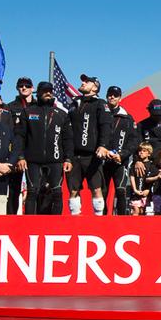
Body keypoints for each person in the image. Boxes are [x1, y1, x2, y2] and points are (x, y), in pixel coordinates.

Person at [15, 82, 74, 215]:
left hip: (56, 160)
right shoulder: (29, 111)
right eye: (45, 91)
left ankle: (55, 226)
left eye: (50, 91)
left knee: (57, 192)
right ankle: (30, 225)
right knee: (32, 192)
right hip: (33, 160)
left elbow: (68, 139)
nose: (48, 93)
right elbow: (20, 136)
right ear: (39, 92)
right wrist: (20, 156)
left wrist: (68, 159)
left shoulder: (61, 114)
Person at [66, 74, 112, 215]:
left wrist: (103, 145)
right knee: (73, 190)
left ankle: (98, 221)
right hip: (74, 156)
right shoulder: (74, 103)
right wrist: (68, 156)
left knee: (96, 188)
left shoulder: (100, 104)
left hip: (92, 155)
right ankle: (75, 220)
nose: (83, 82)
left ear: (95, 87)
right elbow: (67, 130)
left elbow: (106, 126)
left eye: (87, 81)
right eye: (83, 80)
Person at [102, 86, 139, 216]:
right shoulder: (101, 113)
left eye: (115, 95)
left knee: (121, 191)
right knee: (102, 192)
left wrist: (122, 154)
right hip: (102, 160)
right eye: (109, 94)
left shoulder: (128, 118)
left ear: (120, 98)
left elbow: (134, 142)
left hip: (119, 161)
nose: (112, 97)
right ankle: (101, 221)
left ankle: (121, 221)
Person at [4, 77, 34, 214]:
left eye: (27, 86)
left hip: (35, 153)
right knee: (14, 188)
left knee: (34, 189)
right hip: (16, 153)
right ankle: (11, 218)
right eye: (21, 85)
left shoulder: (38, 105)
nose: (24, 88)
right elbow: (9, 132)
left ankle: (33, 221)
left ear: (32, 89)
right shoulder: (10, 106)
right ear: (17, 88)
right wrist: (17, 155)